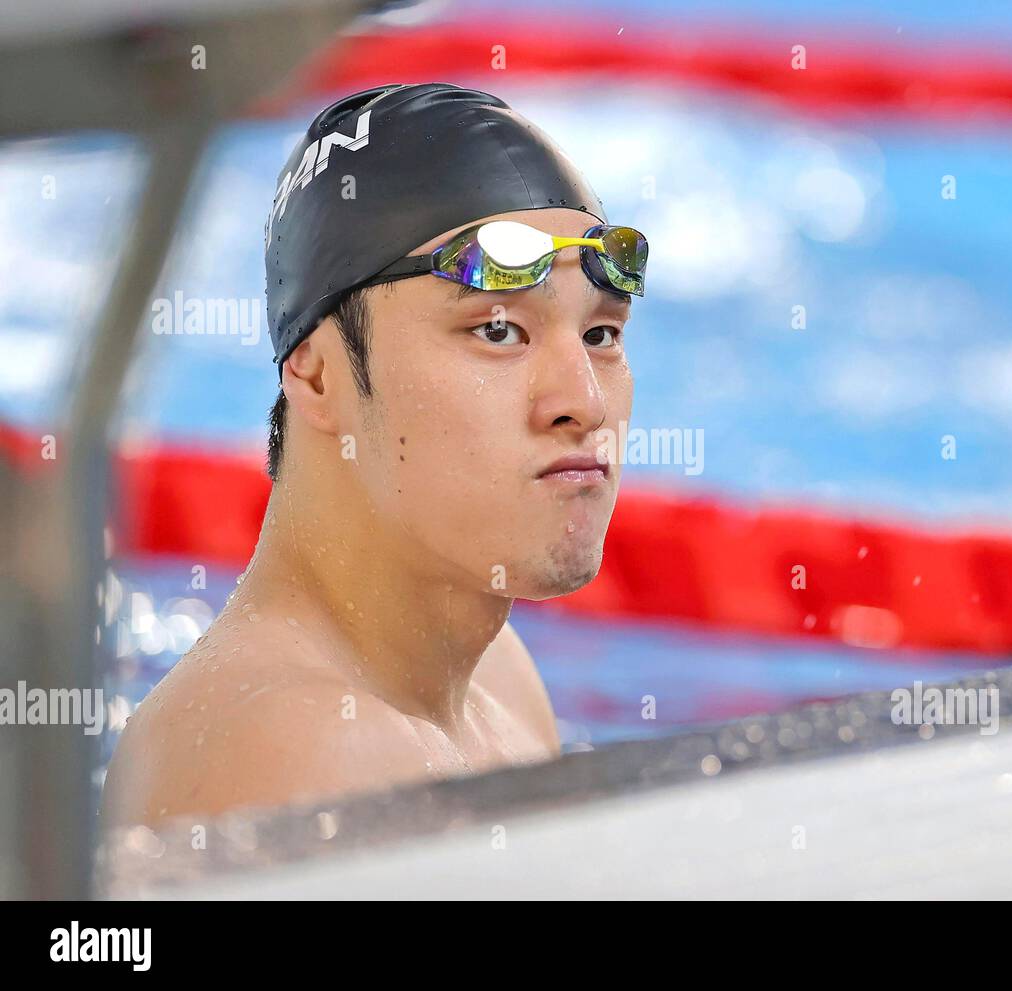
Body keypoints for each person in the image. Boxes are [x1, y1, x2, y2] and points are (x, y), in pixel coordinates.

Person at [101, 82, 648, 829]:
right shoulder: (294, 756)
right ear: (317, 373)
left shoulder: (499, 681)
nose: (582, 402)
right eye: (496, 330)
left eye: (600, 335)